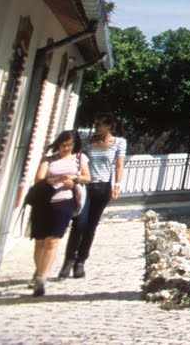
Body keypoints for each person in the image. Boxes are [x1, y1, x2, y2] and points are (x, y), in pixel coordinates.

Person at [60, 112, 125, 279]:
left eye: (98, 125)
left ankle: (80, 262)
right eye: (94, 124)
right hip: (85, 185)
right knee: (79, 223)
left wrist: (117, 186)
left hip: (103, 187)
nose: (95, 128)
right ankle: (68, 260)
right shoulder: (88, 138)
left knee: (91, 226)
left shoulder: (119, 143)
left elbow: (118, 165)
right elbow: (72, 137)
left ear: (109, 126)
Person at [27, 130, 87, 296]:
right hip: (43, 203)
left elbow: (87, 178)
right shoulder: (49, 160)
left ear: (74, 146)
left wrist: (74, 179)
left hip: (64, 203)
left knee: (52, 241)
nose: (65, 148)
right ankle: (38, 271)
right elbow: (39, 178)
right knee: (40, 242)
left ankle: (42, 279)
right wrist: (57, 179)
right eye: (63, 145)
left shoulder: (79, 160)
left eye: (69, 145)